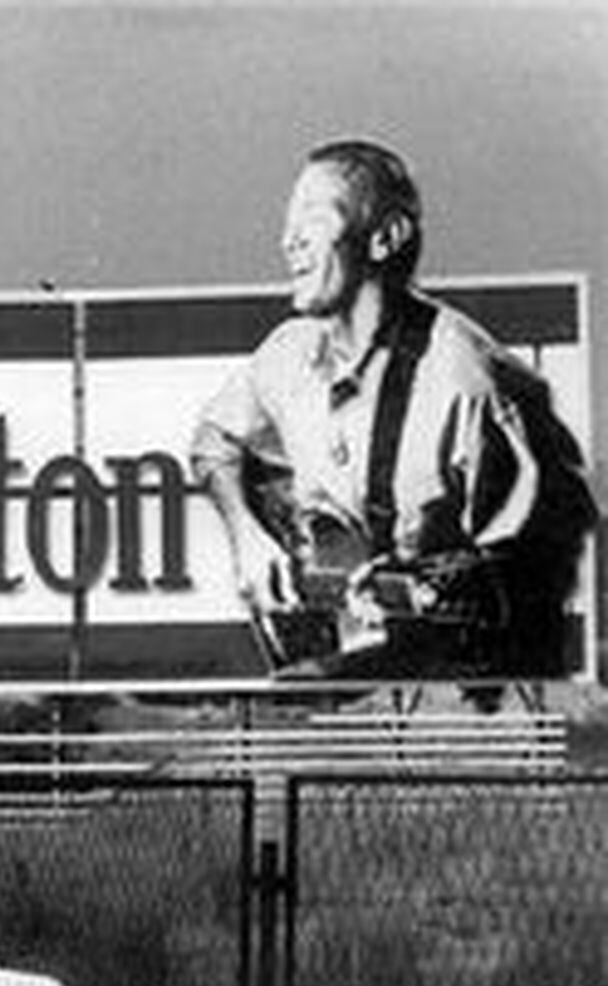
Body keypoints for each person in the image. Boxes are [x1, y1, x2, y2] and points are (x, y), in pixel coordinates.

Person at [192, 138, 597, 681]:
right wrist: (248, 536)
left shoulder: (467, 382)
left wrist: (425, 588)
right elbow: (213, 442)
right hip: (342, 660)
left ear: (385, 237)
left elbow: (532, 565)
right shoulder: (286, 353)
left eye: (312, 217)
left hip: (447, 685)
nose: (288, 240)